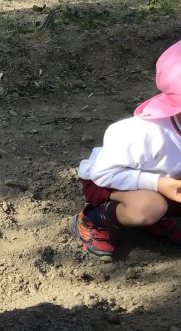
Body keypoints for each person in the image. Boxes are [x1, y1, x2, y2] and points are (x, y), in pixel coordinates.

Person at [71, 38, 181, 261]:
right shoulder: (147, 133)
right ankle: (93, 220)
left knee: (159, 205)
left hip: (169, 182)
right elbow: (103, 172)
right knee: (148, 206)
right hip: (108, 180)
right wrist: (158, 184)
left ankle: (160, 220)